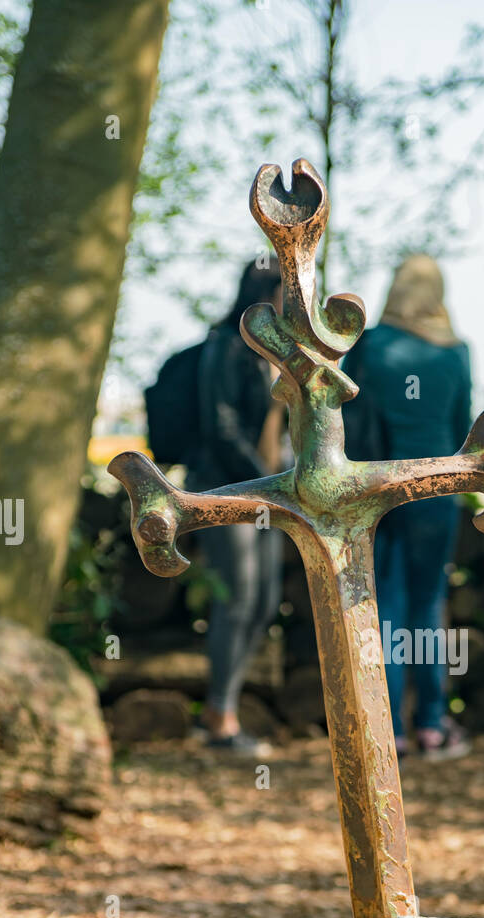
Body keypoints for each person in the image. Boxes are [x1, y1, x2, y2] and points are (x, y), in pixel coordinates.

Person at [344, 255, 472, 759]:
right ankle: (433, 725)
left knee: (389, 608)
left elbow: (346, 410)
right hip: (439, 490)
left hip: (380, 487)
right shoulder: (457, 351)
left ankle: (391, 726)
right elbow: (463, 422)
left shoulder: (371, 345)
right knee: (428, 603)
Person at [186, 259, 286, 754]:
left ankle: (220, 709)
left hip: (269, 492)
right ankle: (220, 720)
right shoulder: (225, 345)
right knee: (238, 598)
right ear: (267, 295)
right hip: (226, 489)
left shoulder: (282, 353)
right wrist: (264, 479)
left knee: (265, 602)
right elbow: (219, 425)